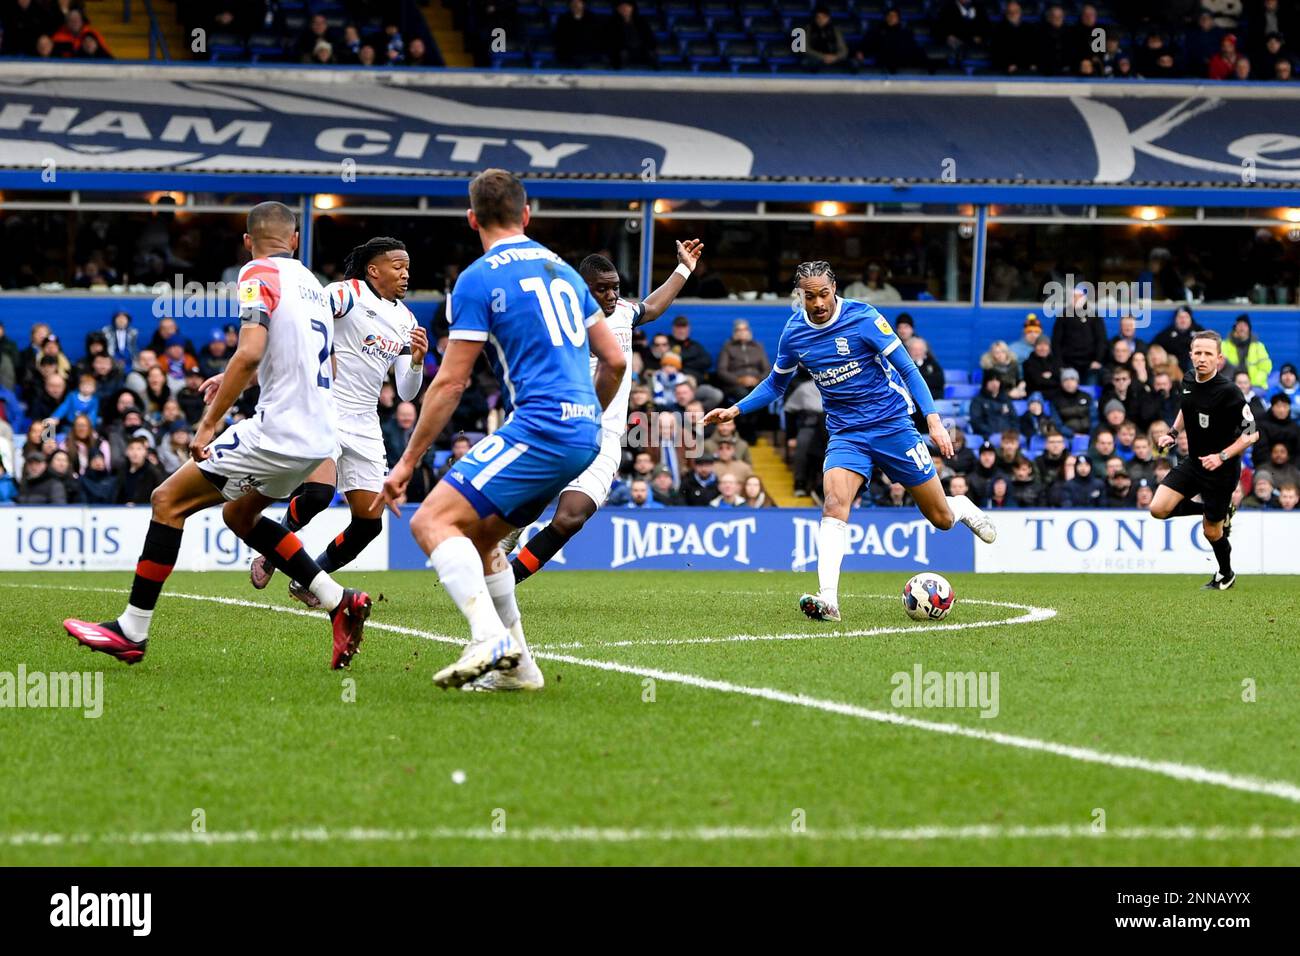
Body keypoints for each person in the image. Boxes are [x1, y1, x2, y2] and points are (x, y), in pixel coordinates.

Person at [63, 201, 371, 669]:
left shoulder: (255, 273)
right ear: (294, 240)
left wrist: (209, 422)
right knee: (240, 518)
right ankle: (338, 600)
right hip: (319, 438)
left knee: (167, 501)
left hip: (277, 431)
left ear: (248, 242)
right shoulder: (314, 286)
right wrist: (238, 379)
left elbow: (250, 352)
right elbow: (302, 360)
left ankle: (131, 630)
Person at [378, 170, 625, 692]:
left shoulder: (477, 278)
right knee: (486, 538)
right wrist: (585, 416)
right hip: (585, 432)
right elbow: (616, 361)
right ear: (527, 215)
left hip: (540, 426)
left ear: (472, 219)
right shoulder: (565, 272)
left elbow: (450, 383)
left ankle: (489, 637)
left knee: (430, 522)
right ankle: (522, 671)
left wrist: (406, 463)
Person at [703, 260, 995, 624]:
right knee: (834, 504)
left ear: (835, 289)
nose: (819, 303)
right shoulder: (794, 333)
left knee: (941, 518)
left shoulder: (864, 318)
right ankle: (829, 600)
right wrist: (736, 409)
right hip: (846, 433)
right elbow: (777, 384)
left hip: (893, 426)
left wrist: (933, 420)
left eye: (824, 294)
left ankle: (962, 507)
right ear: (801, 296)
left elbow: (907, 368)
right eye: (810, 296)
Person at [199, 237, 428, 607]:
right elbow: (301, 330)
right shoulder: (345, 294)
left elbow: (405, 392)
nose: (405, 273)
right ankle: (276, 551)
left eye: (407, 266)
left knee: (369, 524)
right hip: (327, 409)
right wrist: (242, 376)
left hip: (366, 422)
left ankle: (310, 577)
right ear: (374, 270)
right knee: (319, 494)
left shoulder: (406, 320)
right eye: (397, 266)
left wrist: (416, 360)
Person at [508, 238, 702, 583]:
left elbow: (652, 308)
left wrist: (684, 268)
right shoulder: (561, 324)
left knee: (570, 519)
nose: (612, 296)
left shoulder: (624, 313)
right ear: (582, 289)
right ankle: (494, 545)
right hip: (560, 431)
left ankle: (507, 579)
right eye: (602, 290)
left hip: (605, 437)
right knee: (525, 507)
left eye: (615, 288)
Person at [1150, 331, 1259, 591]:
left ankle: (1226, 574)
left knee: (1211, 532)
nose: (1202, 358)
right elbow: (1185, 408)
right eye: (1197, 353)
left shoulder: (1229, 392)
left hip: (1222, 469)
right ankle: (1219, 512)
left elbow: (1252, 434)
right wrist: (1173, 433)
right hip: (1194, 462)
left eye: (1208, 354)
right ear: (1190, 355)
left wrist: (1221, 456)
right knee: (1158, 509)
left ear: (1219, 358)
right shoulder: (1187, 379)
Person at [1051, 296, 1107, 384]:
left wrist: (1098, 360)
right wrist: (1060, 363)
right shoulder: (1063, 316)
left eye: (1078, 297)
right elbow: (1056, 342)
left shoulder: (1093, 315)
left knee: (1089, 392)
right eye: (1073, 297)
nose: (1075, 299)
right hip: (1068, 364)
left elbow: (1101, 339)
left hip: (1090, 365)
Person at [715, 319, 771, 406]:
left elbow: (767, 368)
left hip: (756, 382)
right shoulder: (728, 347)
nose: (742, 332)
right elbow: (721, 370)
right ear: (734, 332)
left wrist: (758, 380)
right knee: (744, 395)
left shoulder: (758, 347)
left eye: (745, 329)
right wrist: (739, 380)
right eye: (739, 330)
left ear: (749, 331)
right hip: (735, 384)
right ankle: (744, 419)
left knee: (763, 395)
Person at [1223, 314, 1272, 389]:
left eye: (1245, 325)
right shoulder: (1224, 345)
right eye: (1239, 325)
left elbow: (1266, 367)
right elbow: (1221, 366)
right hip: (1230, 385)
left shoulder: (1258, 346)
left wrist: (1251, 384)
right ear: (1234, 328)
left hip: (1254, 385)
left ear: (1249, 329)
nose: (1242, 328)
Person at [969, 370, 1018, 439]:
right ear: (985, 383)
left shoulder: (1006, 399)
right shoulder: (978, 400)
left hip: (1007, 436)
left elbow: (1014, 419)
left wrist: (1013, 432)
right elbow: (976, 422)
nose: (994, 383)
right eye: (991, 380)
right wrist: (993, 433)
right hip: (988, 436)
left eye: (997, 380)